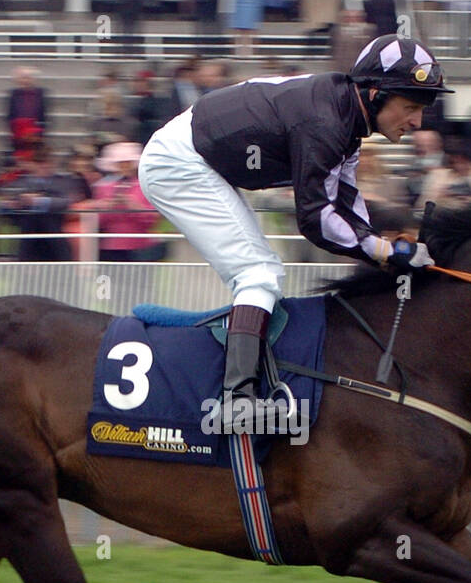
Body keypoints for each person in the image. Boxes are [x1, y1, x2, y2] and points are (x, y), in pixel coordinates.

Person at [138, 34, 451, 430]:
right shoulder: (326, 122)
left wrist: (387, 248)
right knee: (258, 275)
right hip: (180, 164)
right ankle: (237, 401)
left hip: (204, 160)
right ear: (375, 95)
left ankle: (248, 387)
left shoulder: (348, 118)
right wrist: (386, 252)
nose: (417, 121)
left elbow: (347, 205)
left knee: (263, 275)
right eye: (410, 107)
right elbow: (317, 219)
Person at [91, 141, 163, 262]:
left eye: (127, 163)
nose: (124, 167)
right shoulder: (103, 187)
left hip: (140, 246)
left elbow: (153, 220)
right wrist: (108, 206)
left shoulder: (145, 186)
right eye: (120, 163)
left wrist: (132, 204)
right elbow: (96, 221)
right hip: (111, 247)